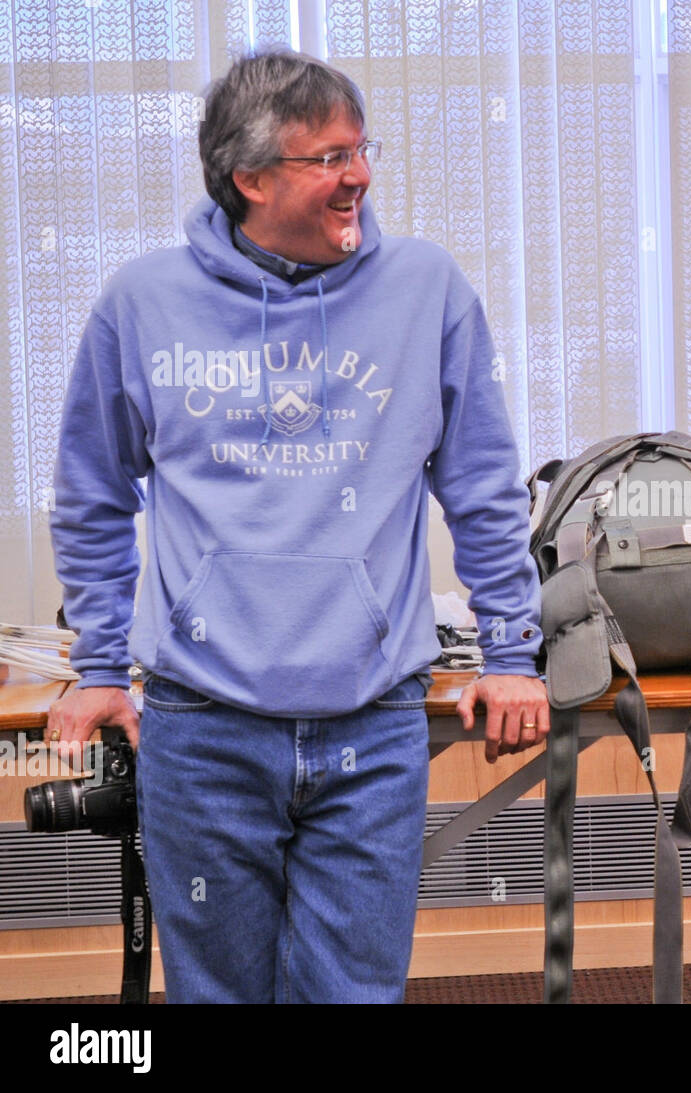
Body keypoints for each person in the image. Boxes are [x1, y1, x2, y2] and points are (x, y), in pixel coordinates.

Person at [45, 49, 550, 1003]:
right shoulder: (142, 304)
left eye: (361, 150)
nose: (358, 175)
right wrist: (103, 665)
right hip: (202, 727)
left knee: (352, 995)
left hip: (373, 720)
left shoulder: (425, 288)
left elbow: (481, 485)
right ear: (250, 178)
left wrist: (513, 650)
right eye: (328, 158)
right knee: (218, 995)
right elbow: (92, 491)